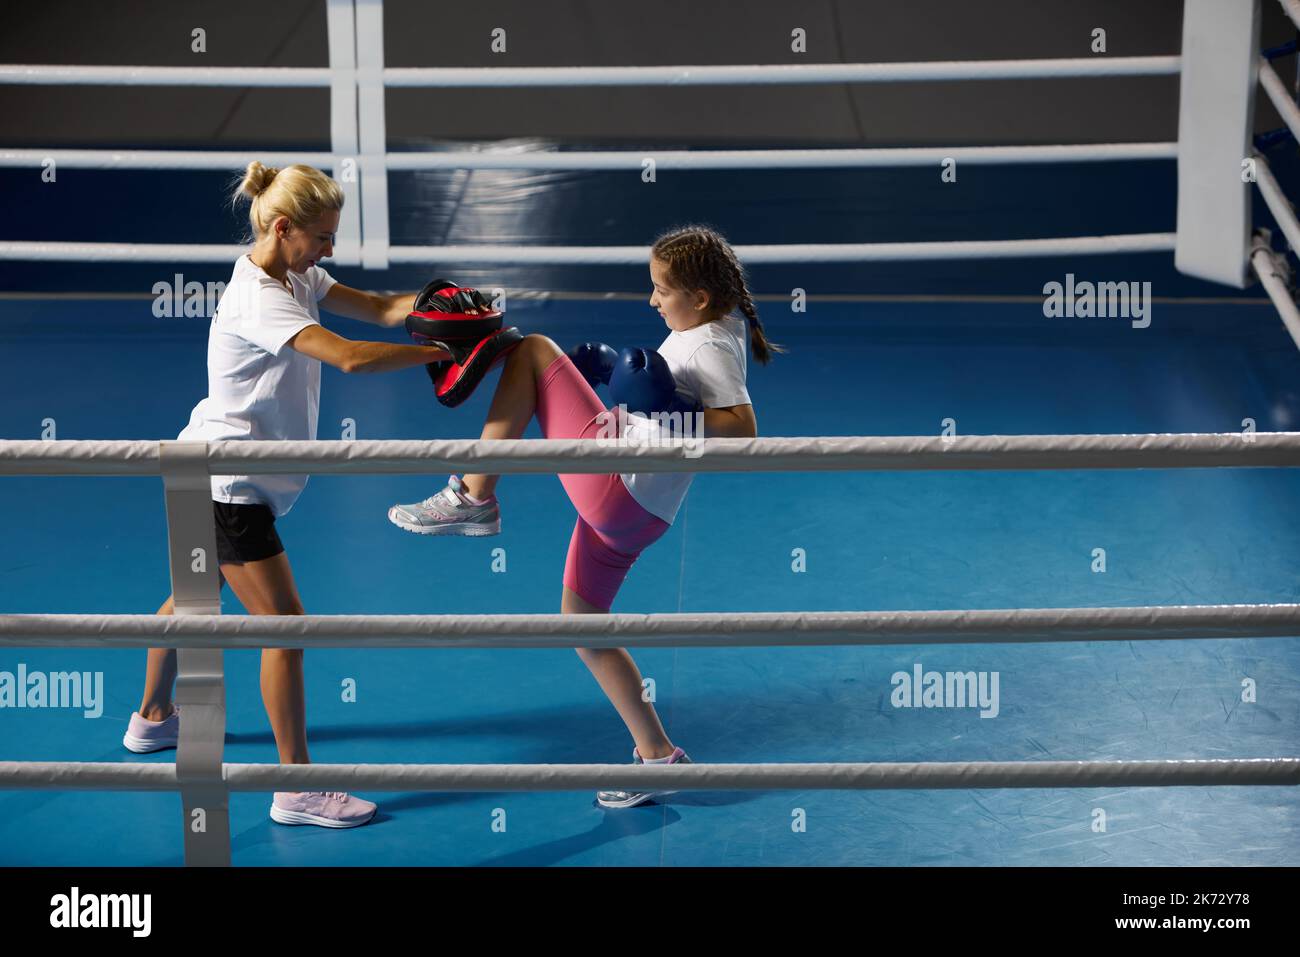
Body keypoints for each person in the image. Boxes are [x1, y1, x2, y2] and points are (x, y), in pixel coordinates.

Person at [389, 225, 784, 808]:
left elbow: (742, 432)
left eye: (661, 290)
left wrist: (661, 405)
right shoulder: (709, 326)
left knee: (531, 350)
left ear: (699, 297)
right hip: (636, 509)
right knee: (582, 621)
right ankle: (658, 756)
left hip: (619, 491)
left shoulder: (711, 343)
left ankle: (473, 493)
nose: (652, 300)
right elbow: (669, 419)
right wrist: (628, 395)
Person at [125, 162, 453, 828]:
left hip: (201, 461)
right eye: (323, 236)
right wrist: (444, 353)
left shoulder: (299, 273)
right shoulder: (259, 297)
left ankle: (153, 720)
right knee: (287, 631)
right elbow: (352, 356)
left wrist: (445, 307)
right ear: (283, 228)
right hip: (228, 487)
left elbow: (384, 310)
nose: (330, 248)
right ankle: (295, 785)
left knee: (195, 600)